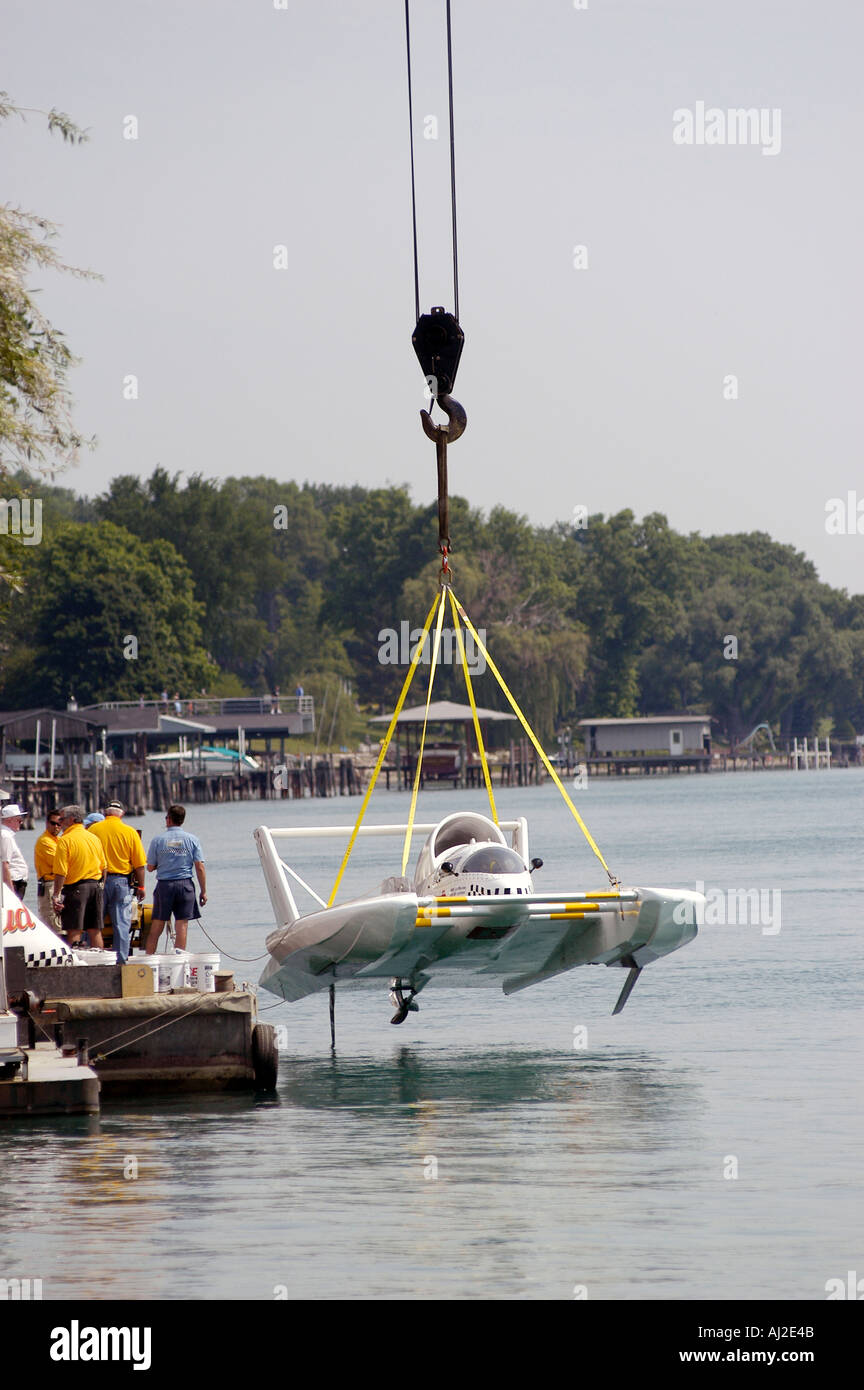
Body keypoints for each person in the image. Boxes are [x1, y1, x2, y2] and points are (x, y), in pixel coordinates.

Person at [86, 800, 147, 965]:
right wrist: (141, 886)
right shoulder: (130, 832)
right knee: (122, 924)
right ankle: (121, 961)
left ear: (105, 813)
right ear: (122, 814)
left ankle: (94, 959)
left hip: (98, 881)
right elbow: (140, 865)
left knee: (93, 923)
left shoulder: (93, 829)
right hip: (121, 883)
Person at [145, 804, 207, 954]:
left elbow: (150, 867)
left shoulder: (157, 841)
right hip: (185, 886)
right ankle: (179, 960)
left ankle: (148, 960)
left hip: (165, 886)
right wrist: (203, 891)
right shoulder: (192, 840)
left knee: (157, 926)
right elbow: (199, 867)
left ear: (169, 820)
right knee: (182, 926)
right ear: (182, 820)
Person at [52, 805, 107, 948]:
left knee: (74, 929)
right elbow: (104, 867)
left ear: (71, 819)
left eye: (62, 820)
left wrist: (56, 895)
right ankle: (100, 965)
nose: (59, 824)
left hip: (75, 889)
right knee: (95, 930)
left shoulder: (65, 840)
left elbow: (61, 872)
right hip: (95, 887)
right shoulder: (94, 838)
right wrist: (101, 887)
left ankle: (75, 966)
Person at [34, 809, 64, 929]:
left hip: (58, 883)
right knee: (52, 921)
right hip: (50, 884)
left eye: (59, 824)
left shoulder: (59, 840)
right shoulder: (44, 841)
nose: (56, 827)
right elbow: (59, 862)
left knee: (60, 921)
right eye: (53, 823)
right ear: (47, 823)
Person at [1, 803, 29, 899]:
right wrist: (11, 893)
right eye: (19, 820)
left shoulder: (6, 835)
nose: (21, 823)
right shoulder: (6, 836)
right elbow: (4, 865)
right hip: (14, 883)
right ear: (9, 820)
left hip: (16, 882)